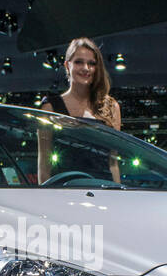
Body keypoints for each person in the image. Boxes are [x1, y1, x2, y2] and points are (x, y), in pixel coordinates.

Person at [37, 36, 122, 184]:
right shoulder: (50, 107)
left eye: (91, 63)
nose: (85, 68)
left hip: (103, 190)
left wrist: (119, 194)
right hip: (65, 190)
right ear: (67, 65)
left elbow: (113, 164)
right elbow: (44, 162)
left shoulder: (111, 107)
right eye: (79, 62)